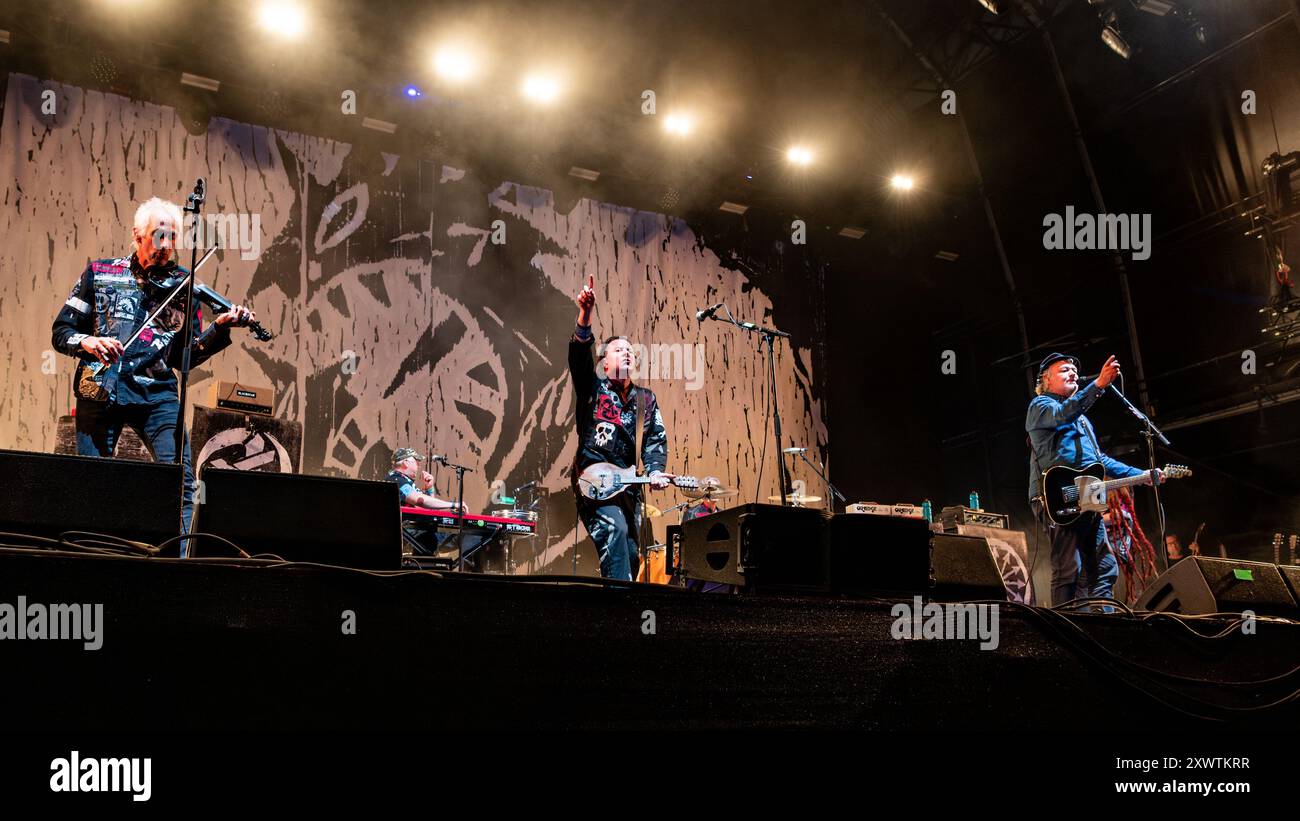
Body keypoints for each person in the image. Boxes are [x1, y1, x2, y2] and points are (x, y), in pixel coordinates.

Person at [51, 197, 255, 539]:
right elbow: (62, 332)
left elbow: (183, 360)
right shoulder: (100, 273)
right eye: (159, 235)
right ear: (138, 234)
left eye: (173, 238)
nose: (166, 246)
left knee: (181, 484)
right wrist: (87, 342)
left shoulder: (182, 287)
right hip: (101, 391)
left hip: (157, 396)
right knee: (90, 484)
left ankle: (172, 568)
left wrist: (219, 329)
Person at [1026, 352, 1161, 608]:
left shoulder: (1083, 420)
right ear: (1046, 379)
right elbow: (1063, 413)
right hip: (1056, 493)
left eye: (1074, 370)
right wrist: (1098, 385)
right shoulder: (1041, 406)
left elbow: (1101, 461)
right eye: (1064, 370)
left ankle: (1101, 623)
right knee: (1068, 568)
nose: (1073, 373)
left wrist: (1140, 475)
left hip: (1087, 490)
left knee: (1104, 565)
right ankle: (1065, 630)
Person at [569, 274, 672, 580]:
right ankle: (624, 616)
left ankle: (616, 612)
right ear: (604, 362)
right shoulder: (593, 387)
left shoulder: (646, 400)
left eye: (630, 350)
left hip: (630, 488)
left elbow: (655, 439)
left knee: (629, 552)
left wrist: (654, 471)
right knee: (614, 530)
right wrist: (585, 315)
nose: (626, 352)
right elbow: (578, 358)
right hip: (595, 483)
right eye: (618, 349)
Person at [386, 447, 466, 512]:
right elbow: (420, 501)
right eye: (416, 461)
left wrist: (429, 489)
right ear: (406, 463)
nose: (419, 465)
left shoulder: (403, 480)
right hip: (407, 529)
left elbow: (430, 510)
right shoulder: (396, 479)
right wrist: (453, 505)